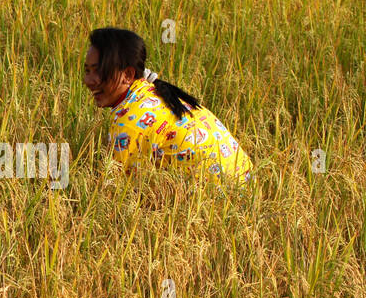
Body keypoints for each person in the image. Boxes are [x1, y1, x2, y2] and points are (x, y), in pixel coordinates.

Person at [85, 27, 253, 185]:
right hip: (248, 186)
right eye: (87, 71)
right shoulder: (152, 92)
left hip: (219, 200)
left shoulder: (129, 122)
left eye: (98, 71)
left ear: (128, 74)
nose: (88, 81)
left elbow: (114, 190)